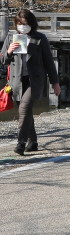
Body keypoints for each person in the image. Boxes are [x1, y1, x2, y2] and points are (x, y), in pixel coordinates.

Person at [0, 9, 61, 156]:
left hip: (35, 81)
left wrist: (55, 82)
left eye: (25, 24)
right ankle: (32, 142)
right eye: (20, 24)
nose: (22, 26)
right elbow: (3, 60)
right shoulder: (11, 37)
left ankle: (21, 143)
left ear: (31, 24)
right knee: (26, 112)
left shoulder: (40, 38)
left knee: (23, 110)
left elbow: (49, 62)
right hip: (17, 82)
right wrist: (9, 51)